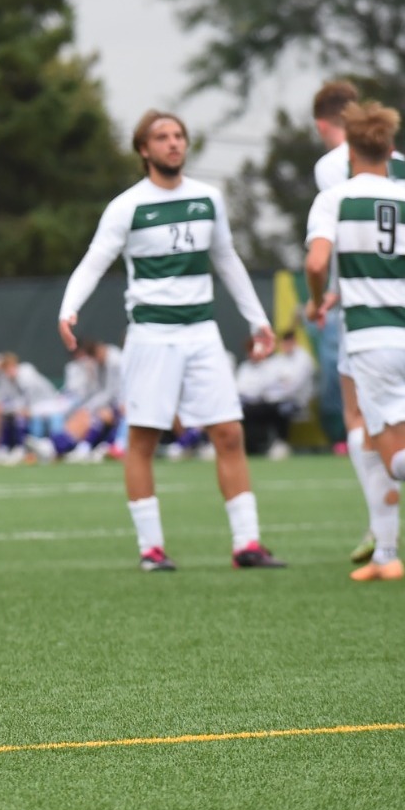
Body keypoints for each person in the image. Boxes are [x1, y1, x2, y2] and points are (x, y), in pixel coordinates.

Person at [58, 110, 284, 571]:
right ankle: (151, 549)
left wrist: (258, 320)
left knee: (228, 432)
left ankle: (247, 544)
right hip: (151, 336)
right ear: (144, 149)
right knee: (143, 438)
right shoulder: (127, 206)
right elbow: (95, 259)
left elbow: (227, 259)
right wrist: (68, 308)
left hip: (202, 332)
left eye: (179, 135)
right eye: (162, 137)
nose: (173, 143)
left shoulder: (208, 199)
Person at [308, 81, 405, 564]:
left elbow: (317, 264)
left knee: (391, 454)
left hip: (371, 335)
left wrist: (319, 300)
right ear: (391, 149)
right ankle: (385, 553)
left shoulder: (334, 194)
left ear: (348, 148)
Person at [234, 330, 315, 458]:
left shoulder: (302, 359)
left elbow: (289, 386)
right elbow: (264, 385)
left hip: (293, 401)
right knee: (244, 410)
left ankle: (281, 443)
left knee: (281, 408)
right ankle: (247, 445)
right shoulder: (274, 361)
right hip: (263, 401)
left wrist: (273, 391)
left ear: (294, 341)